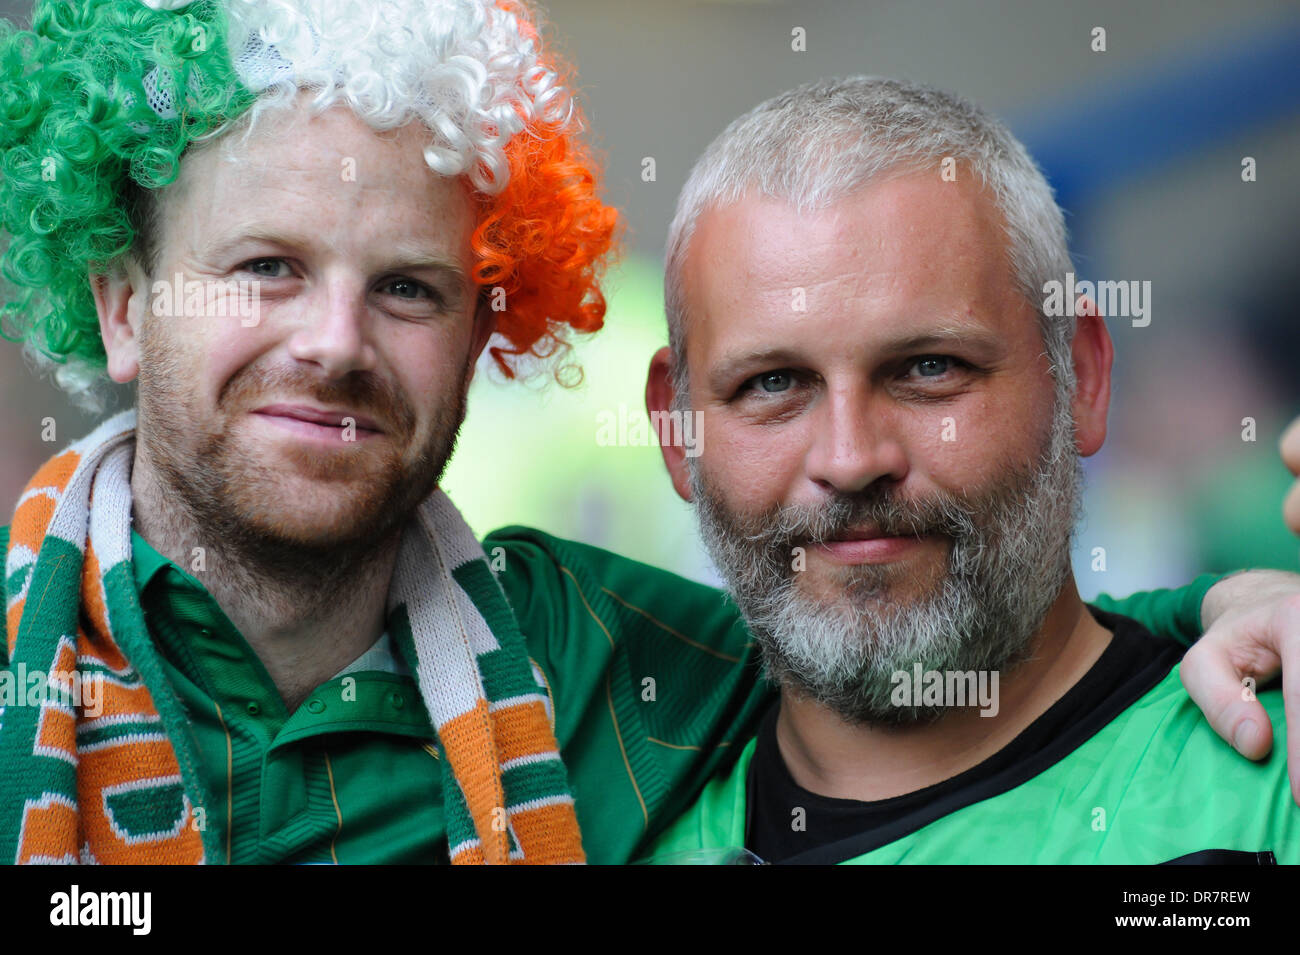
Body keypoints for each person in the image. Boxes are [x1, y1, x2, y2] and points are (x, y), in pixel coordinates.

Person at [0, 3, 1293, 866]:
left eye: (406, 286)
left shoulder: (583, 655)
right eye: (267, 267)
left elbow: (921, 633)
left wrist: (1222, 614)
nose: (335, 340)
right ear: (120, 301)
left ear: (480, 333)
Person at [646, 76, 1299, 863]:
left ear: (1080, 380)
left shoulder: (1269, 790)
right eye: (774, 384)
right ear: (676, 432)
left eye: (928, 367)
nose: (851, 459)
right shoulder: (568, 797)